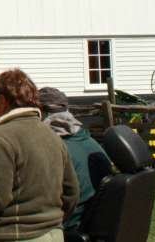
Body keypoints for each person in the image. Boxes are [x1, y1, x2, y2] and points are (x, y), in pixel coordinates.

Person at [0, 69, 78, 241]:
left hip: (14, 235)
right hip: (53, 234)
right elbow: (71, 192)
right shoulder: (52, 135)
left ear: (1, 101)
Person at [38, 87, 112, 232]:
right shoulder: (90, 142)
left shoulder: (54, 150)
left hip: (70, 224)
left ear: (40, 112)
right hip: (96, 223)